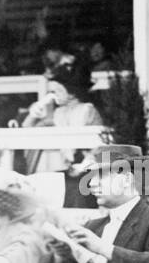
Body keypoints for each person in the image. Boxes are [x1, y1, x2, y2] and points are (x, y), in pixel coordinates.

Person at [21, 58, 104, 207]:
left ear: (71, 93)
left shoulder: (87, 110)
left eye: (56, 91)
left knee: (78, 198)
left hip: (88, 169)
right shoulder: (58, 112)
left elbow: (99, 145)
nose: (53, 95)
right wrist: (40, 105)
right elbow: (27, 127)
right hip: (67, 170)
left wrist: (84, 165)